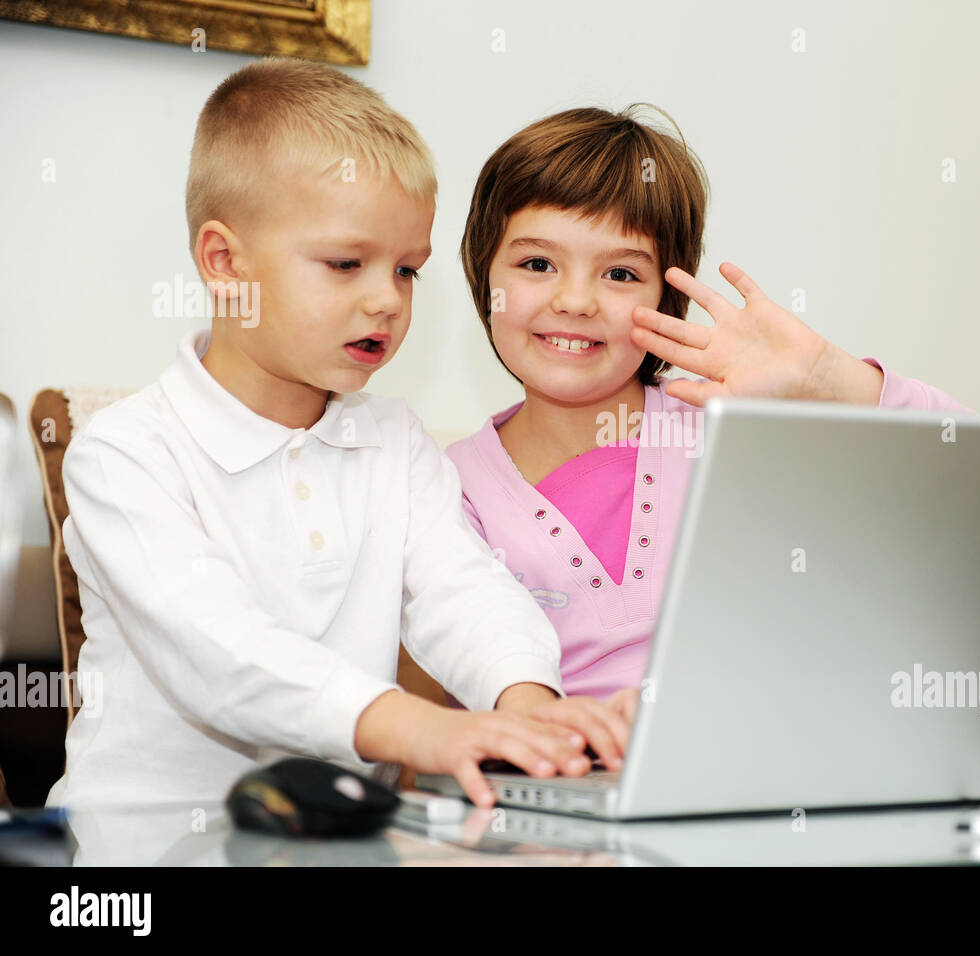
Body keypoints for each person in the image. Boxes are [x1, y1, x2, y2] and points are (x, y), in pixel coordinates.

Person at [47, 59, 629, 812]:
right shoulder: (124, 455)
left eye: (408, 270)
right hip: (146, 845)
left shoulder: (395, 441)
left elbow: (465, 589)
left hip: (352, 836)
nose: (386, 299)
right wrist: (425, 731)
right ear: (226, 263)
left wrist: (525, 702)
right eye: (346, 263)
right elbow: (223, 654)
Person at [444, 106, 971, 703]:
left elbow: (975, 481)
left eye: (619, 273)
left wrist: (829, 376)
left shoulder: (727, 433)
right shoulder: (448, 486)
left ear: (669, 297)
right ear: (482, 272)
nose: (576, 300)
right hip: (561, 777)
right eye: (538, 264)